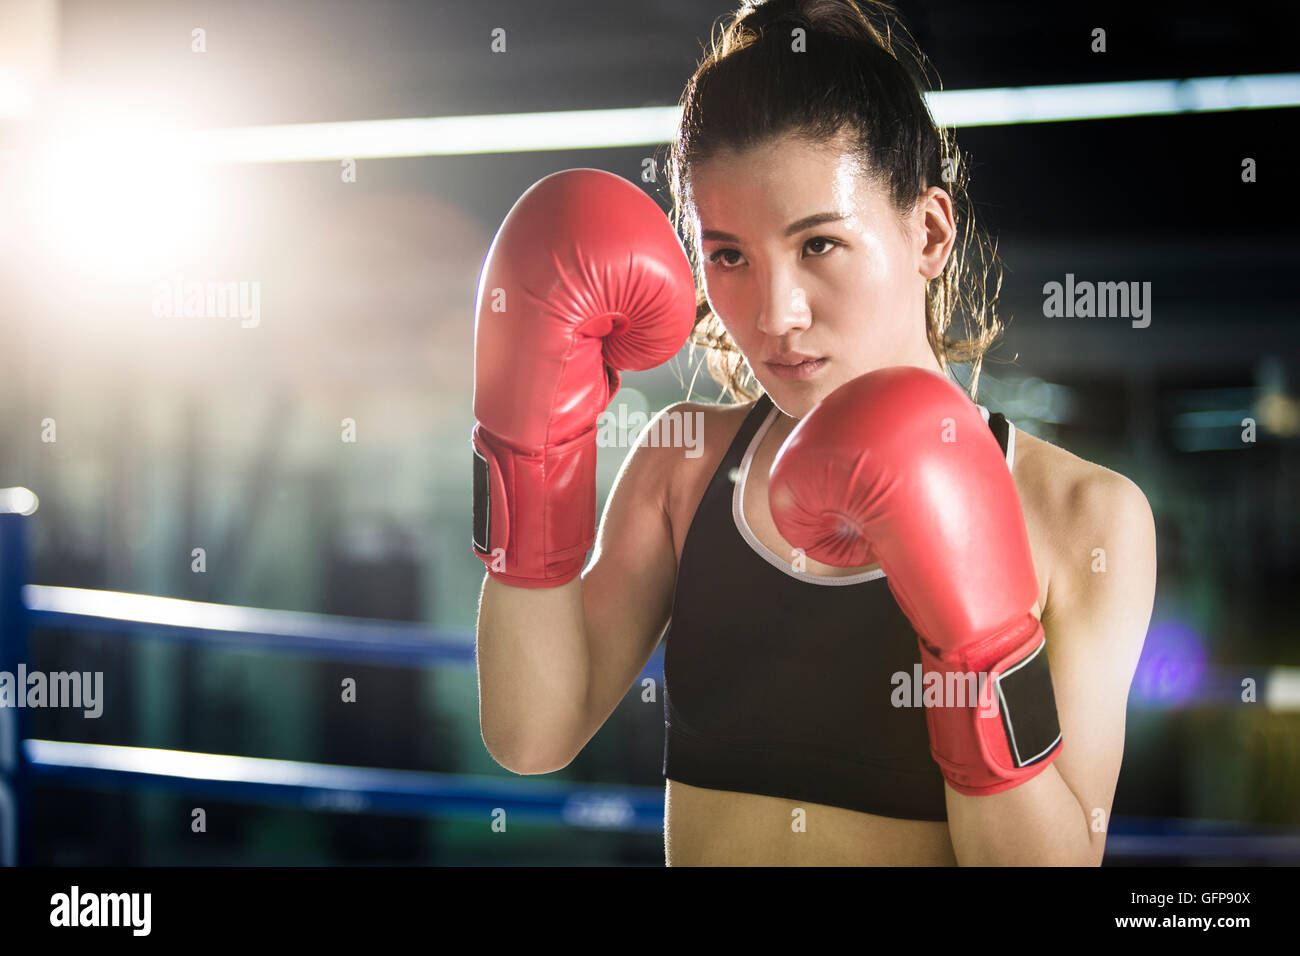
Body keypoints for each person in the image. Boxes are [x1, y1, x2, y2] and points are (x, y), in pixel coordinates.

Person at [473, 0, 1157, 866]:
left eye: (820, 245)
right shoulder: (683, 466)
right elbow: (531, 736)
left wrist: (976, 647)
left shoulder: (1084, 516)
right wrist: (523, 440)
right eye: (728, 256)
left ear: (930, 232)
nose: (776, 314)